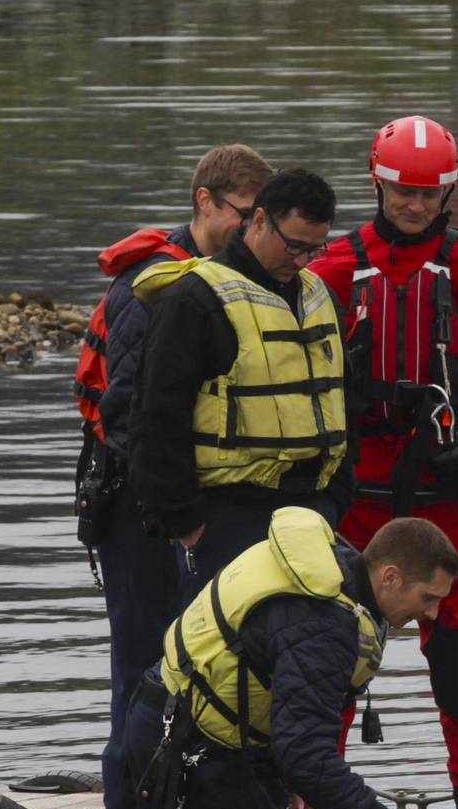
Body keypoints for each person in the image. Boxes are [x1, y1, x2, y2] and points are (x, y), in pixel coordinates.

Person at [0, 509, 458, 809]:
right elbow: (305, 751)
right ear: (390, 576)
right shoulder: (324, 623)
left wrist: (294, 780)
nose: (432, 614)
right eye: (428, 598)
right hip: (186, 745)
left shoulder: (336, 573)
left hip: (195, 725)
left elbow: (285, 717)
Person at [305, 116, 458, 809]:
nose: (414, 205)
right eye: (403, 191)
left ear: (449, 192)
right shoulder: (333, 273)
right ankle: (309, 801)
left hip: (450, 494)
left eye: (430, 193)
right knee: (326, 639)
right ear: (378, 183)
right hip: (357, 496)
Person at [73, 144, 274, 809]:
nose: (251, 233)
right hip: (139, 505)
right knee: (143, 663)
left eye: (260, 221)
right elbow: (122, 414)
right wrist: (177, 509)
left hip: (195, 502)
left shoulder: (230, 281)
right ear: (205, 202)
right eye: (242, 216)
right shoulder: (151, 286)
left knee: (202, 661)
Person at [129, 166, 352, 606]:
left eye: (315, 248)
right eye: (294, 245)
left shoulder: (320, 296)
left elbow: (346, 398)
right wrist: (189, 524)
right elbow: (156, 419)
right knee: (226, 661)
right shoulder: (192, 300)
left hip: (313, 510)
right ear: (261, 220)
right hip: (226, 517)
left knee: (315, 652)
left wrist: (339, 496)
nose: (303, 260)